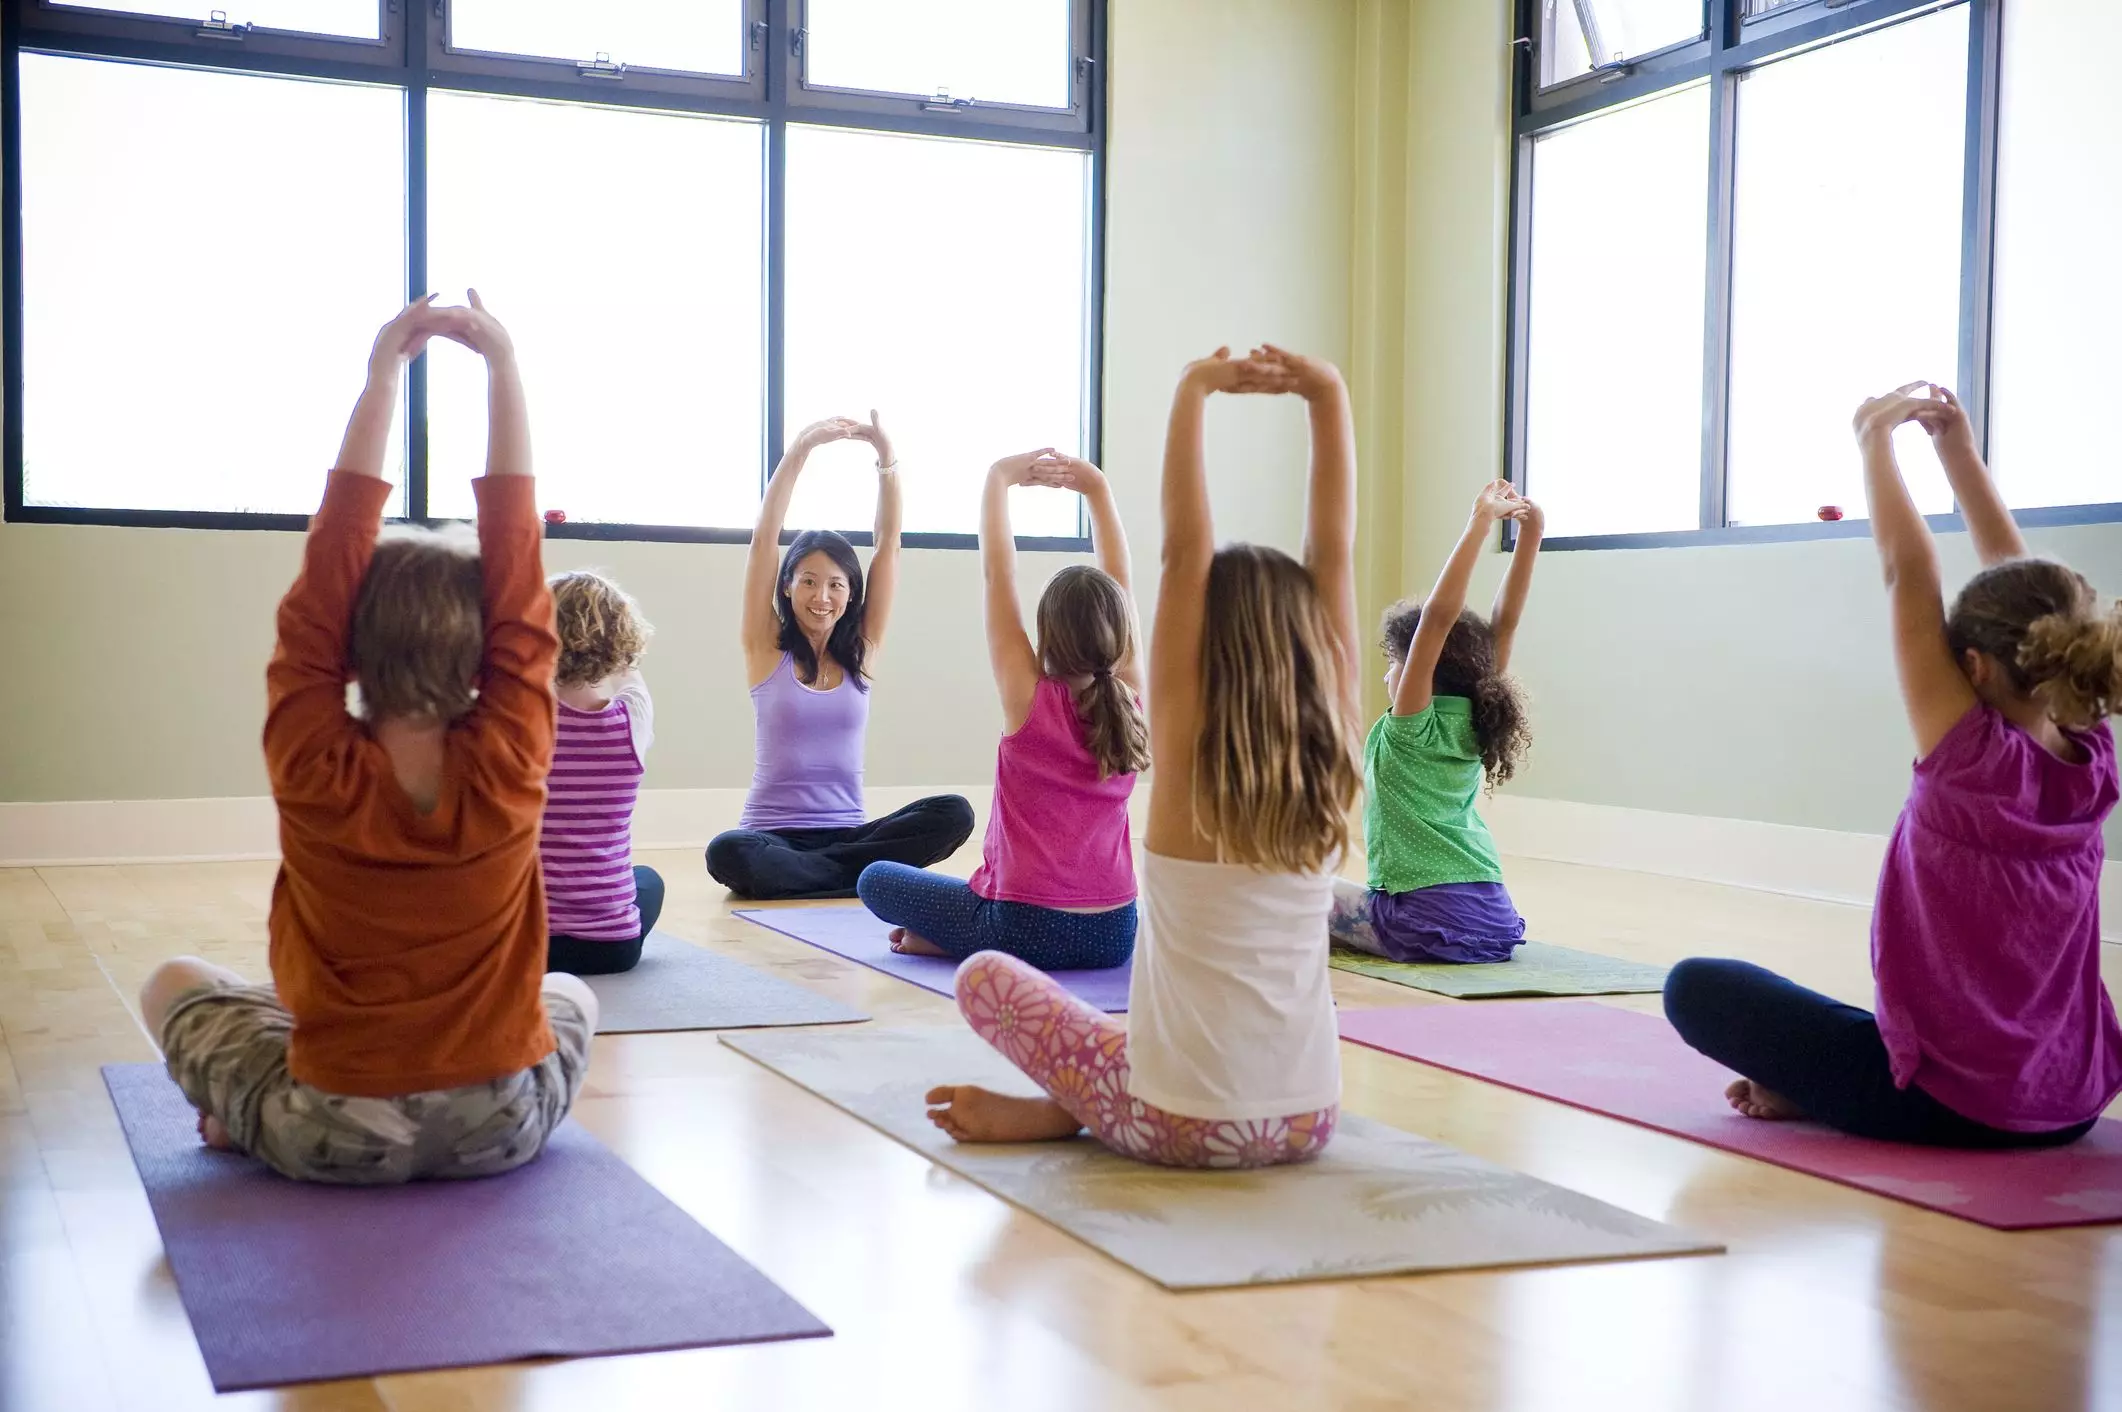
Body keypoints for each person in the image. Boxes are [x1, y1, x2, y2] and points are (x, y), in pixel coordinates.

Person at [138, 292, 599, 1183]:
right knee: (572, 994)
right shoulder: (512, 754)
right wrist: (505, 371)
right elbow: (520, 571)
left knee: (172, 981)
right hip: (501, 1128)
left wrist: (384, 370)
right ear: (485, 656)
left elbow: (327, 564)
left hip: (335, 1132)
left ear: (343, 648)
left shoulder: (311, 758)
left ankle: (248, 1119)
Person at [925, 345, 1364, 1168]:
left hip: (1176, 1122)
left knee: (986, 976)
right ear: (1321, 657)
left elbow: (1178, 558)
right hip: (1311, 1119)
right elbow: (1332, 554)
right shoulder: (1329, 776)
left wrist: (1194, 386)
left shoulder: (1183, 750)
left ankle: (1068, 1114)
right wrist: (1325, 391)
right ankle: (1075, 1110)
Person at [1664, 381, 2122, 1148]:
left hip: (1951, 1107)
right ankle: (1816, 1084)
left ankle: (1815, 1091)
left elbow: (1906, 574)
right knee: (1856, 1026)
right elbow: (2034, 599)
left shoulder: (1970, 758)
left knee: (1697, 987)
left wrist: (1873, 437)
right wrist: (1959, 455)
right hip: (2072, 1100)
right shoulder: (2092, 759)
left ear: (1971, 667)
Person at [856, 448, 1146, 970]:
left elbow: (998, 576)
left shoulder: (1028, 698)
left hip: (1024, 929)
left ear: (1047, 634)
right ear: (1121, 634)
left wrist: (998, 479)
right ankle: (961, 940)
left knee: (875, 879)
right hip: (1114, 933)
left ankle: (962, 943)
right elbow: (1120, 582)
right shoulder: (1132, 696)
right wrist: (1097, 490)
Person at [705, 415, 975, 900]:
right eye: (807, 581)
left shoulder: (861, 654)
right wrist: (800, 451)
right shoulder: (766, 648)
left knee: (954, 813)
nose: (821, 596)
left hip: (850, 832)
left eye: (835, 584)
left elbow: (889, 545)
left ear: (852, 594)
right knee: (728, 852)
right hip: (772, 836)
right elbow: (764, 542)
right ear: (787, 588)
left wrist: (887, 462)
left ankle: (831, 875)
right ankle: (862, 878)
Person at [1329, 482, 1540, 963]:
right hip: (1496, 922)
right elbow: (1504, 625)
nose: (1389, 671)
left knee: (1299, 893)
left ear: (1424, 668)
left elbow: (1436, 622)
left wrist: (1479, 523)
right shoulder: (1476, 716)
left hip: (1420, 923)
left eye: (1394, 661)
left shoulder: (1413, 726)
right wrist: (1533, 533)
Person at [542, 570, 663, 976]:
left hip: (527, 944)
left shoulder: (518, 726)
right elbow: (630, 674)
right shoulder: (632, 718)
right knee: (648, 881)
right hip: (611, 948)